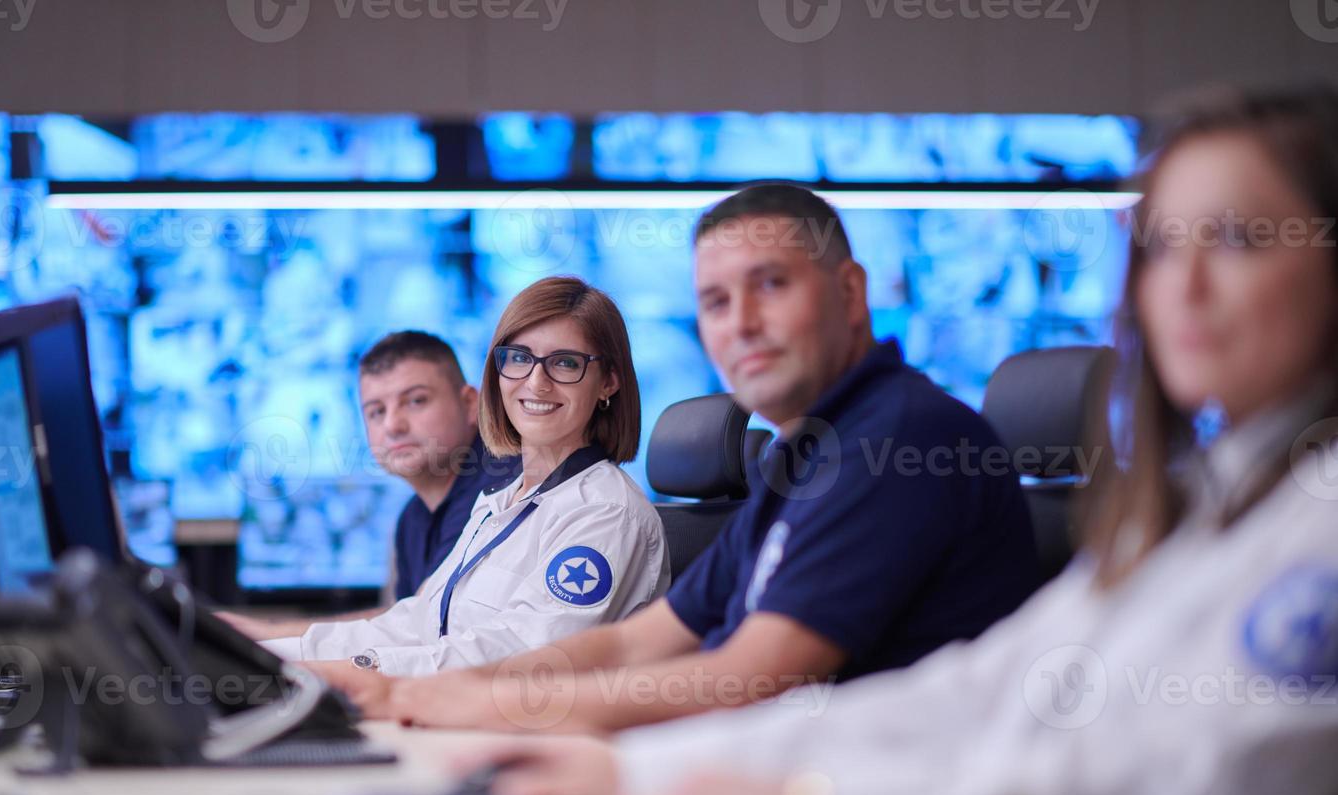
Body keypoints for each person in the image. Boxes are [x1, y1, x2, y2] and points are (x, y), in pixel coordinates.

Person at [460, 87, 1338, 795]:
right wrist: (636, 772)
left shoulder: (905, 442)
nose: (1180, 289)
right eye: (1161, 248)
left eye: (1240, 239)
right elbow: (974, 692)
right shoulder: (1204, 504)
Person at [320, 184, 1041, 729]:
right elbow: (635, 647)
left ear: (851, 293)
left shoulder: (901, 442)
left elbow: (750, 677)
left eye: (771, 285)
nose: (743, 325)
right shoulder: (802, 458)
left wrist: (474, 704)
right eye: (717, 302)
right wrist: (458, 691)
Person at [283, 275, 669, 676]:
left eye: (565, 363)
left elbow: (523, 657)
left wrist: (355, 670)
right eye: (519, 358)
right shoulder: (499, 503)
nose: (536, 382)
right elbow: (418, 624)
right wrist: (276, 653)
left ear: (608, 381)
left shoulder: (605, 512)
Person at [221, 331, 521, 640]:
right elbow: (402, 630)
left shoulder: (504, 487)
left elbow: (419, 628)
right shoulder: (412, 520)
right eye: (377, 411)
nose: (393, 425)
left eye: (416, 401)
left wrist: (267, 634)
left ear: (471, 404)